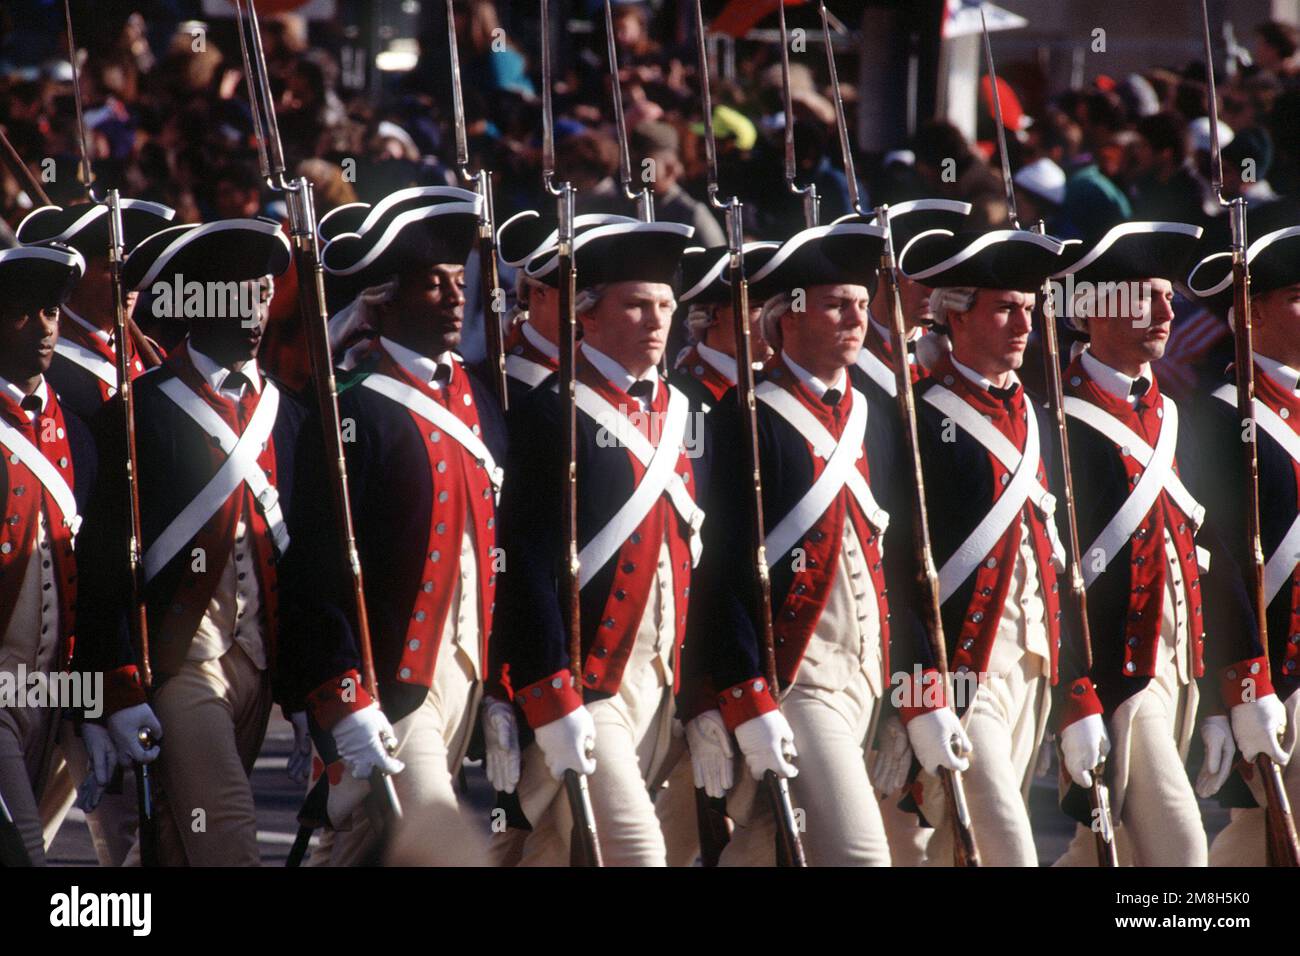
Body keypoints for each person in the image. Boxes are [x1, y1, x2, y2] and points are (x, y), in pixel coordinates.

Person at [698, 221, 932, 866]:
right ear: (785, 318)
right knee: (860, 856)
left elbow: (905, 562)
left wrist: (918, 693)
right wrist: (747, 698)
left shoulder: (877, 414)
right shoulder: (744, 416)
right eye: (837, 304)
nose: (856, 318)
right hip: (794, 677)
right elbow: (723, 571)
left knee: (759, 849)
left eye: (862, 304)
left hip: (869, 676)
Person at [298, 188, 506, 866]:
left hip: (466, 679)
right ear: (384, 300)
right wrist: (343, 697)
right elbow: (321, 566)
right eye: (431, 285)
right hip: (392, 681)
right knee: (439, 844)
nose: (453, 299)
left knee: (369, 852)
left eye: (457, 282)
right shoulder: (349, 410)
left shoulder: (481, 397)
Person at [491, 218, 702, 866]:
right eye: (636, 304)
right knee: (638, 852)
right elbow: (524, 565)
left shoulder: (686, 415)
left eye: (665, 305)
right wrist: (551, 698)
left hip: (662, 685)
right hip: (588, 682)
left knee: (552, 855)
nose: (656, 319)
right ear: (588, 314)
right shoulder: (550, 411)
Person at [95, 216, 303, 866]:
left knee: (175, 848)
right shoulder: (138, 412)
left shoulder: (292, 415)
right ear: (193, 298)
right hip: (178, 664)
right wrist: (116, 691)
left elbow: (316, 567)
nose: (255, 308)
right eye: (236, 291)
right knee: (230, 840)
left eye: (263, 292)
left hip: (259, 667)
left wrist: (320, 693)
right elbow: (105, 567)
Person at [1046, 220, 1238, 866]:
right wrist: (1076, 697)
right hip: (1117, 679)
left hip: (1177, 673)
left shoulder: (1171, 416)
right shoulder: (1058, 424)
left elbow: (1202, 560)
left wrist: (1215, 695)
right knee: (1182, 848)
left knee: (1108, 857)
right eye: (1144, 297)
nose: (1166, 312)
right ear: (1092, 310)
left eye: (1167, 296)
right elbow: (1053, 575)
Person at [898, 226, 1070, 866]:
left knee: (945, 850)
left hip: (1033, 668)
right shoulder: (917, 416)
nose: (1023, 325)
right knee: (1008, 849)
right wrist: (917, 693)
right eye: (1004, 309)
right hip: (963, 671)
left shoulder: (1038, 417)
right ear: (955, 317)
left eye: (1028, 310)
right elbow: (900, 571)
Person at [0, 243, 159, 865]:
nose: (44, 326)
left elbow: (93, 588)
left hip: (50, 697)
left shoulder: (78, 438)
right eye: (23, 312)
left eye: (51, 312)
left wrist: (94, 710)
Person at [1186, 214, 1300, 865]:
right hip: (1276, 672)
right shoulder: (1219, 415)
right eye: (1296, 297)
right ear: (1251, 311)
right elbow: (1218, 565)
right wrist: (1243, 685)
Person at [15, 198, 174, 422]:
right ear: (75, 278)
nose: (128, 282)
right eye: (111, 269)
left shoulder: (151, 353)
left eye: (132, 268)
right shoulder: (43, 361)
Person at [667, 241, 777, 411]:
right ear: (714, 314)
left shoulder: (774, 382)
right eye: (757, 307)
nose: (771, 318)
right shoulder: (683, 395)